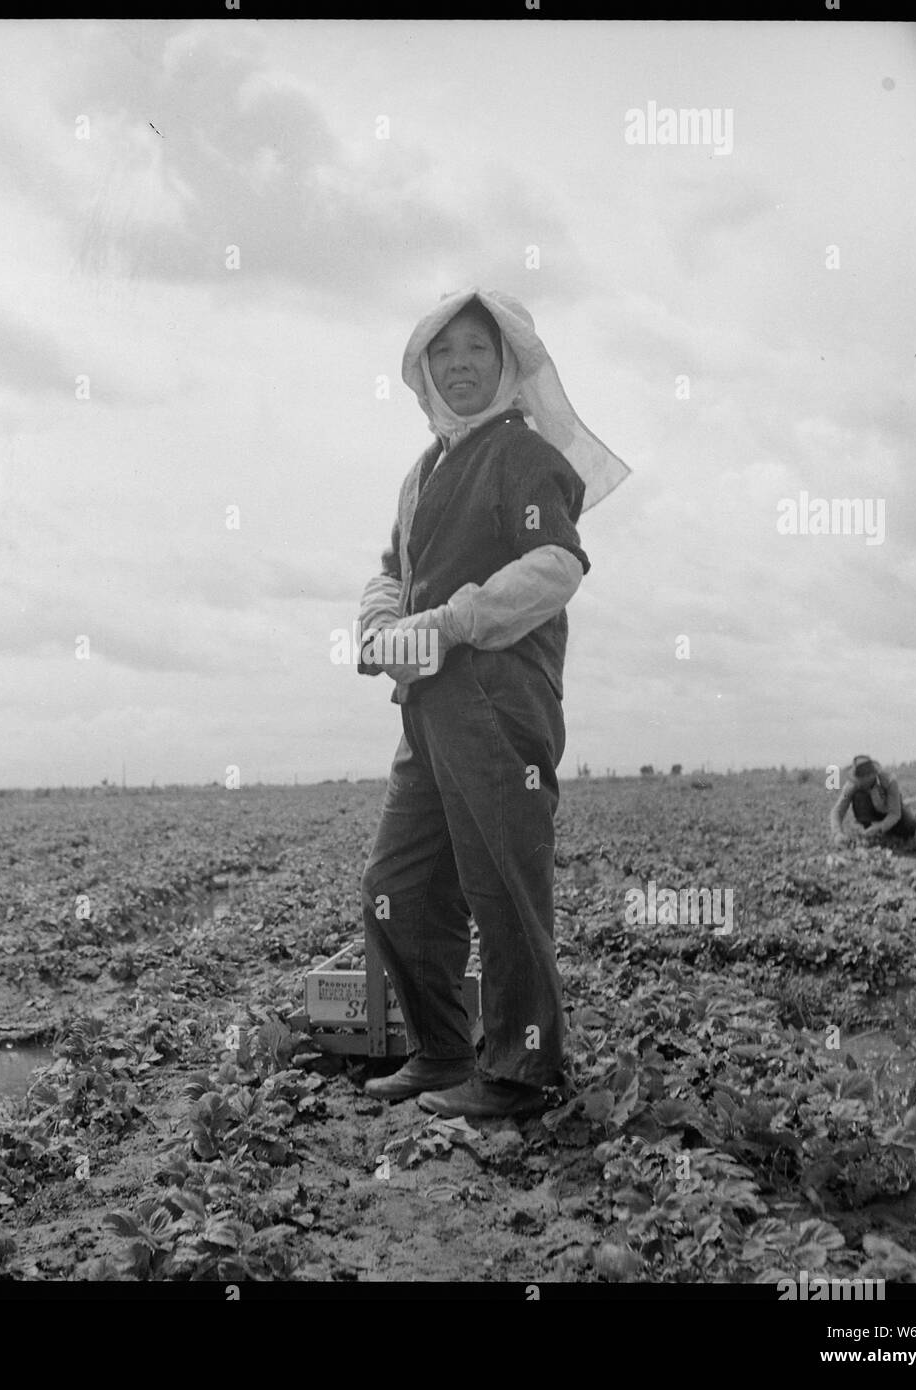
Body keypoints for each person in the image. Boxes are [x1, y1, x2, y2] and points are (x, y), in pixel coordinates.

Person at [355, 288, 628, 1119]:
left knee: (501, 882)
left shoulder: (520, 451)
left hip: (496, 697)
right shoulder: (427, 465)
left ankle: (519, 1074)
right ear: (422, 370)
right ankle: (441, 1052)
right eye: (444, 354)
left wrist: (444, 623)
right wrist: (378, 619)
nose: (460, 366)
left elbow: (554, 568)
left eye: (475, 349)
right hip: (429, 704)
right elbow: (391, 566)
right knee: (394, 884)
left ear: (504, 360)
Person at [829, 755, 916, 844]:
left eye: (866, 778)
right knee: (859, 797)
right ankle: (868, 830)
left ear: (873, 775)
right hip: (870, 816)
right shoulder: (851, 786)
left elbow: (895, 814)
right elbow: (837, 810)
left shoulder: (889, 782)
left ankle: (882, 833)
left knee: (910, 826)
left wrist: (880, 827)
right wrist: (837, 833)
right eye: (860, 779)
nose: (862, 782)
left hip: (890, 814)